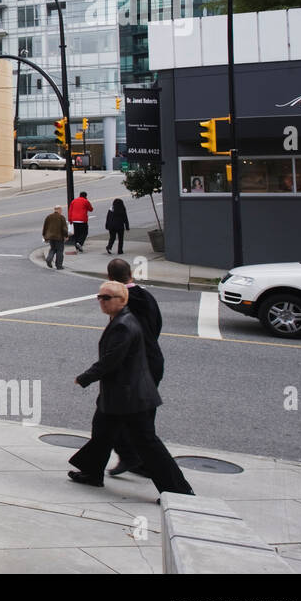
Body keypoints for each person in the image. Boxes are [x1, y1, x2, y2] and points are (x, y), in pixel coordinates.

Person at [68, 281, 193, 496]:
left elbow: (110, 361)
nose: (101, 301)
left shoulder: (124, 325)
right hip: (120, 395)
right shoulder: (120, 319)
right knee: (102, 431)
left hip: (131, 398)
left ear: (122, 300)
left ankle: (178, 491)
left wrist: (85, 377)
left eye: (107, 298)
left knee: (147, 443)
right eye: (99, 297)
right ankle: (91, 472)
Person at [105, 258, 164, 477]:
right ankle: (137, 459)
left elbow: (119, 342)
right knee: (143, 415)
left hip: (135, 366)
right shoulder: (147, 297)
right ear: (130, 273)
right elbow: (157, 325)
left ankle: (141, 461)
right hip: (153, 359)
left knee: (122, 413)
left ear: (110, 278)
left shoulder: (121, 303)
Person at [42, 205, 70, 270]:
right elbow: (64, 228)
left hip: (51, 237)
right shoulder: (61, 217)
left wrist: (45, 237)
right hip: (59, 237)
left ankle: (49, 259)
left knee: (53, 249)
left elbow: (45, 227)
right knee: (60, 251)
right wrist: (66, 236)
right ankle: (59, 265)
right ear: (59, 209)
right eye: (61, 210)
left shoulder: (48, 217)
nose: (61, 211)